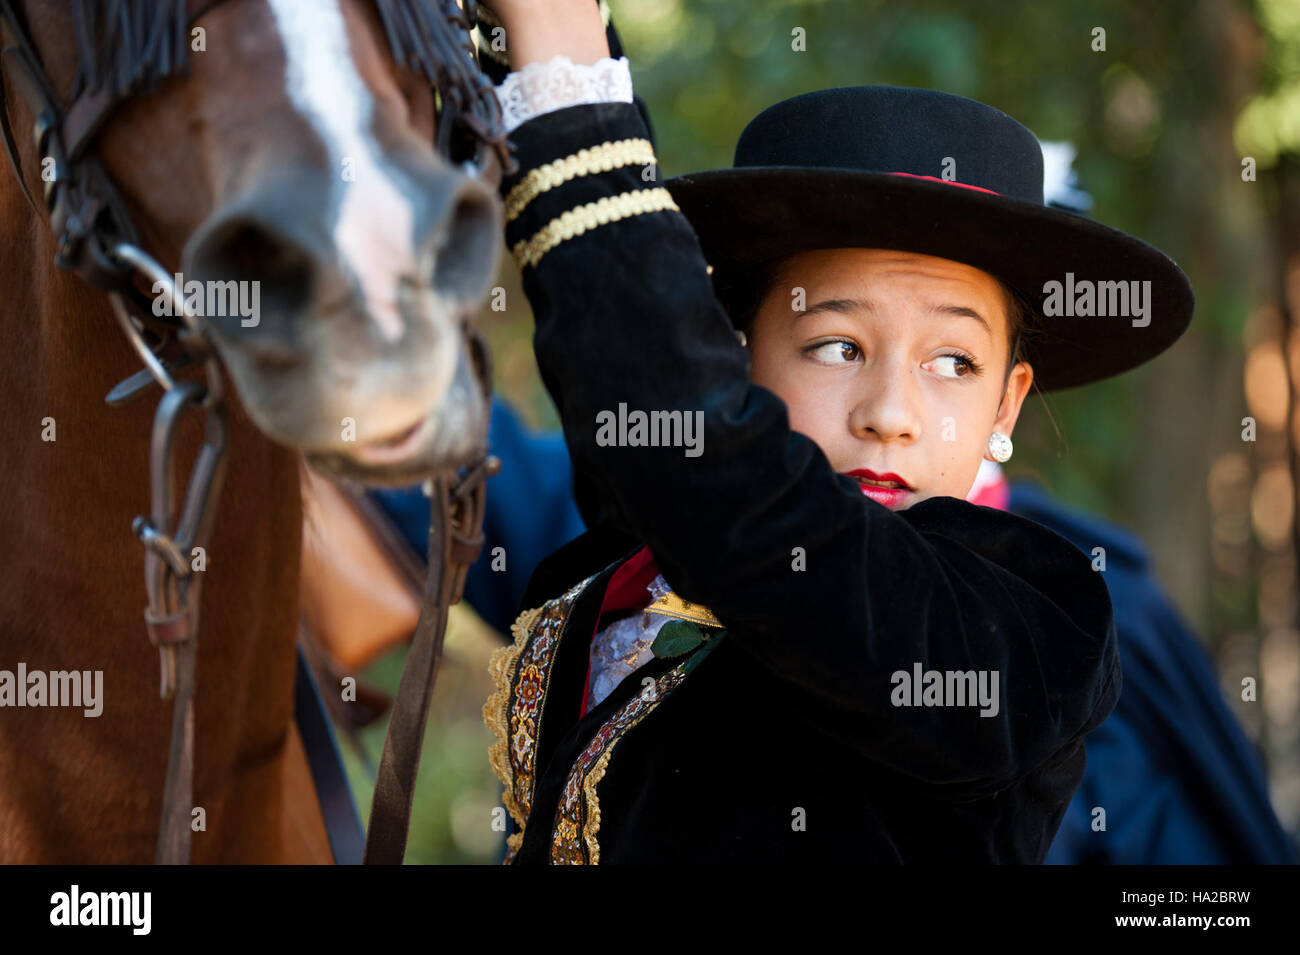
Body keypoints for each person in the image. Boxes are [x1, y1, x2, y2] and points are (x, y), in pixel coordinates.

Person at [467, 0, 1196, 864]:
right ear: (734, 358)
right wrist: (554, 36)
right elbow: (643, 395)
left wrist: (568, 85)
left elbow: (738, 500)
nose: (889, 412)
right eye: (837, 345)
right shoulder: (646, 560)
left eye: (955, 363)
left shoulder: (1028, 627)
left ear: (1008, 403)